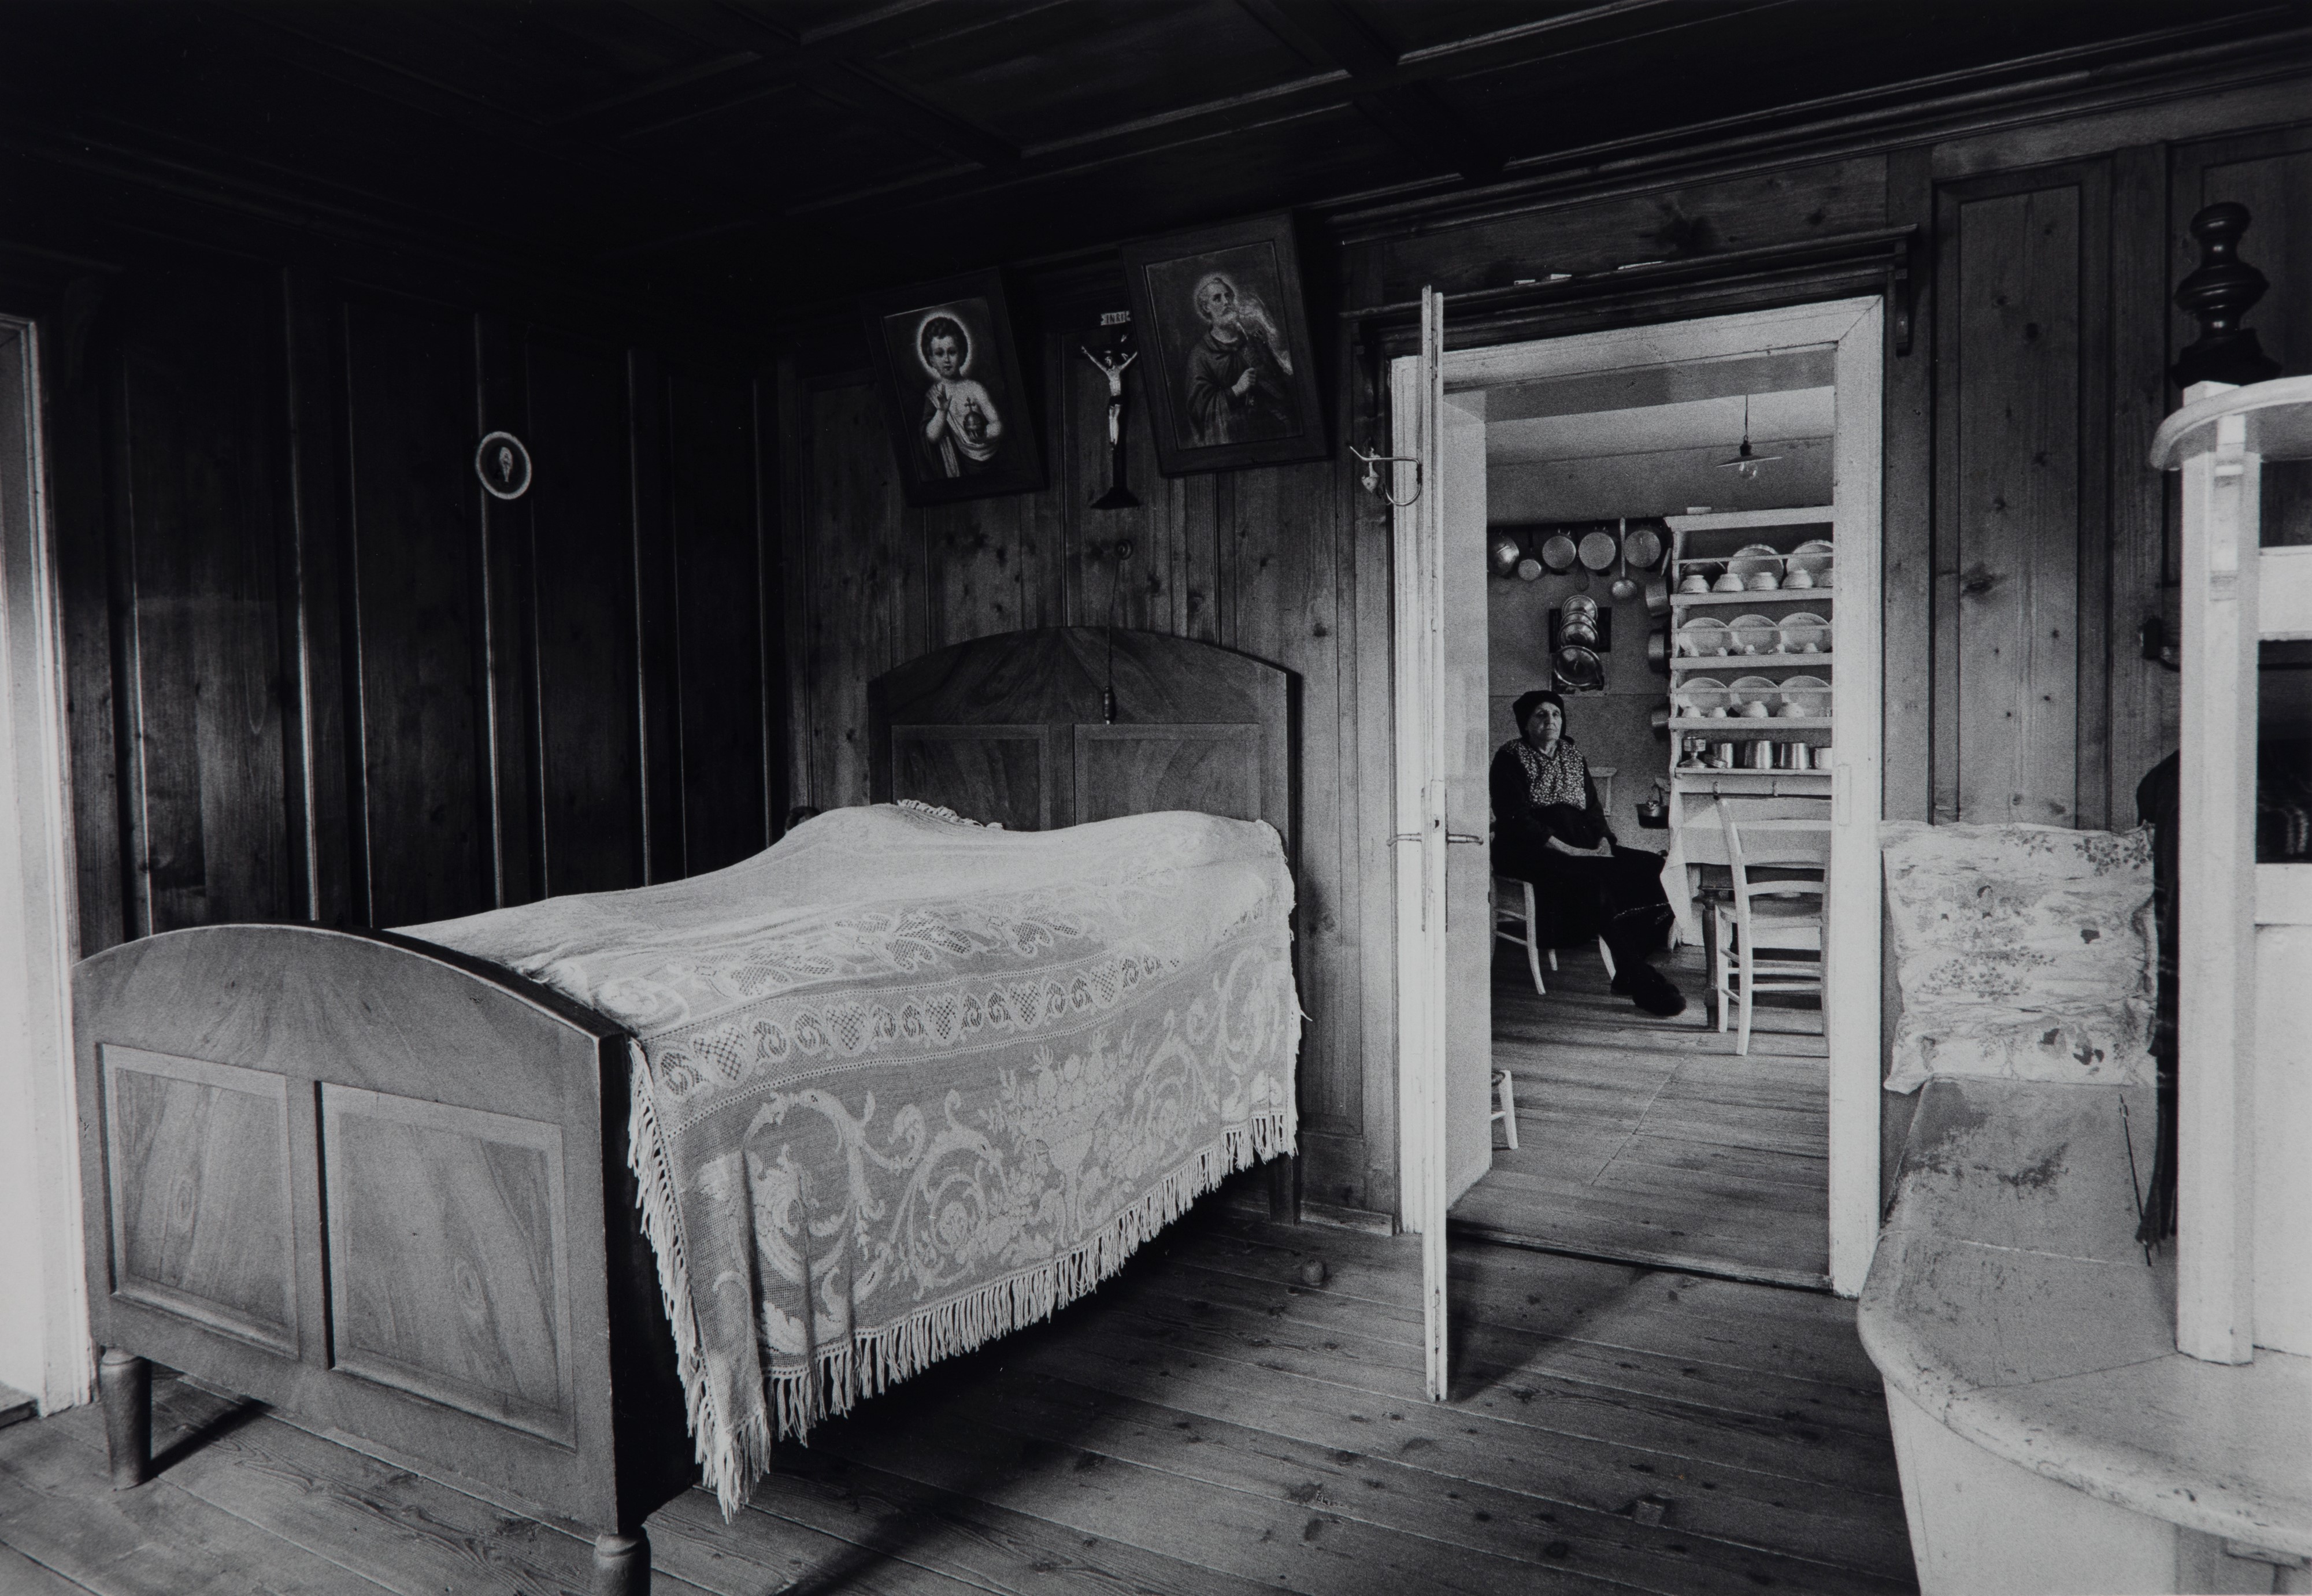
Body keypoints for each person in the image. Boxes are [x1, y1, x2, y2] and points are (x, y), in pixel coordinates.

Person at [1490, 688, 1684, 1016]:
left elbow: (1593, 810)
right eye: (1540, 714)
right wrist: (1567, 850)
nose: (1550, 720)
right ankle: (1639, 978)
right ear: (1525, 723)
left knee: (1658, 870)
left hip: (1579, 843)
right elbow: (1518, 819)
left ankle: (1628, 967)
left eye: (1556, 714)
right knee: (1592, 886)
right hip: (1529, 850)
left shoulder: (1571, 755)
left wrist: (1605, 842)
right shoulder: (1509, 757)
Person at [1183, 272, 1296, 445]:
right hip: (1233, 437)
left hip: (1272, 431)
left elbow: (1280, 383)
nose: (1226, 302)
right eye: (1217, 298)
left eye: (1228, 296)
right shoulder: (1200, 355)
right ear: (1206, 308)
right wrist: (1236, 390)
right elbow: (1200, 408)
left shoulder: (1254, 341)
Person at [919, 314, 1003, 478]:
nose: (947, 359)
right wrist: (942, 412)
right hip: (958, 468)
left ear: (962, 353)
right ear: (931, 359)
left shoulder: (975, 388)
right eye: (939, 353)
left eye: (952, 352)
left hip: (989, 461)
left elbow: (998, 423)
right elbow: (931, 437)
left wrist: (985, 436)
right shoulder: (934, 395)